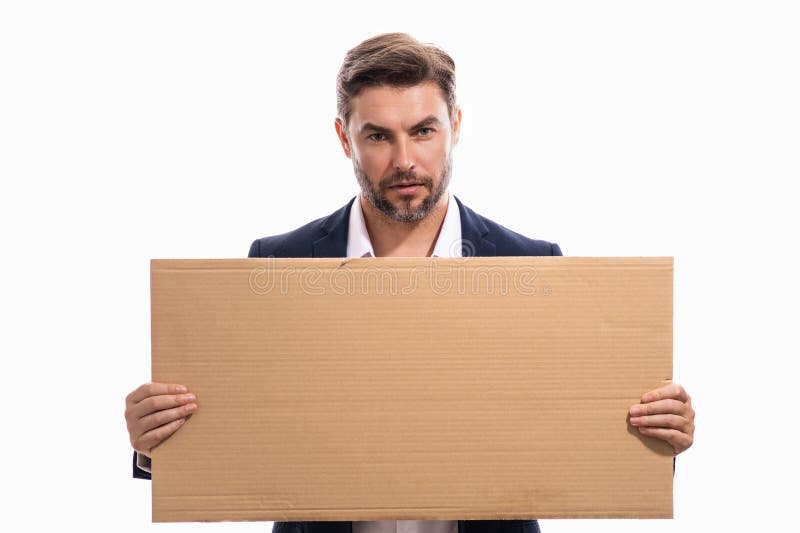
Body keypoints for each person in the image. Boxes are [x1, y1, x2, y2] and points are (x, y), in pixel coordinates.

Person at [125, 32, 695, 533]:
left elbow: (571, 436)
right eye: (378, 137)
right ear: (344, 139)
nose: (405, 160)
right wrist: (160, 446)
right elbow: (243, 435)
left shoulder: (533, 266)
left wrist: (656, 435)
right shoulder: (278, 264)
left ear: (456, 127)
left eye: (423, 131)